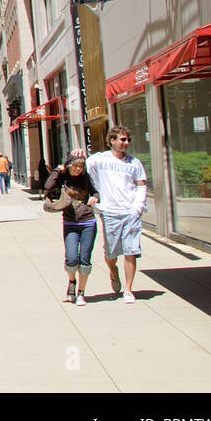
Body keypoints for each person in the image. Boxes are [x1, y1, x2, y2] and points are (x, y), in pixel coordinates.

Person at [85, 126, 148, 302]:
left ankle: (128, 289)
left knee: (131, 251)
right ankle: (113, 270)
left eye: (128, 139)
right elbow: (82, 167)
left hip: (130, 213)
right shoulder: (99, 160)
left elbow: (141, 185)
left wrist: (138, 207)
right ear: (112, 140)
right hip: (110, 213)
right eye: (122, 139)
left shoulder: (134, 163)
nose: (126, 143)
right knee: (110, 252)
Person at [45, 154, 99, 305]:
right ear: (68, 166)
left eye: (81, 166)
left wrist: (94, 198)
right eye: (75, 166)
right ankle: (72, 281)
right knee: (71, 258)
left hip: (88, 221)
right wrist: (58, 170)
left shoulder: (86, 178)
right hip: (70, 223)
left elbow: (95, 192)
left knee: (85, 259)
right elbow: (48, 186)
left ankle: (81, 292)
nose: (78, 169)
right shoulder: (62, 179)